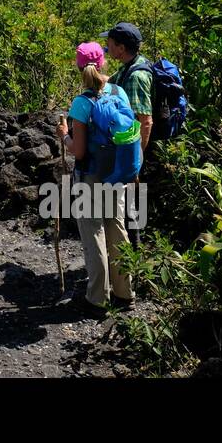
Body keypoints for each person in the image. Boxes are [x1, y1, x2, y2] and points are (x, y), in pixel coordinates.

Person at [56, 41, 137, 315]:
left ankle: (97, 298)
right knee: (117, 229)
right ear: (102, 63)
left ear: (79, 67)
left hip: (91, 174)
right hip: (117, 173)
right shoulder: (119, 92)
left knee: (94, 233)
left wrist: (64, 135)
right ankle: (125, 292)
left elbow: (77, 151)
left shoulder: (82, 103)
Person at [101, 21, 152, 244]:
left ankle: (134, 268)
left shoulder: (135, 78)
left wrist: (135, 163)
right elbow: (108, 83)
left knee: (131, 213)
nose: (107, 46)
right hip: (126, 152)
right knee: (129, 210)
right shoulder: (130, 67)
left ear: (120, 48)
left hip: (132, 155)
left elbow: (145, 121)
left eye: (109, 43)